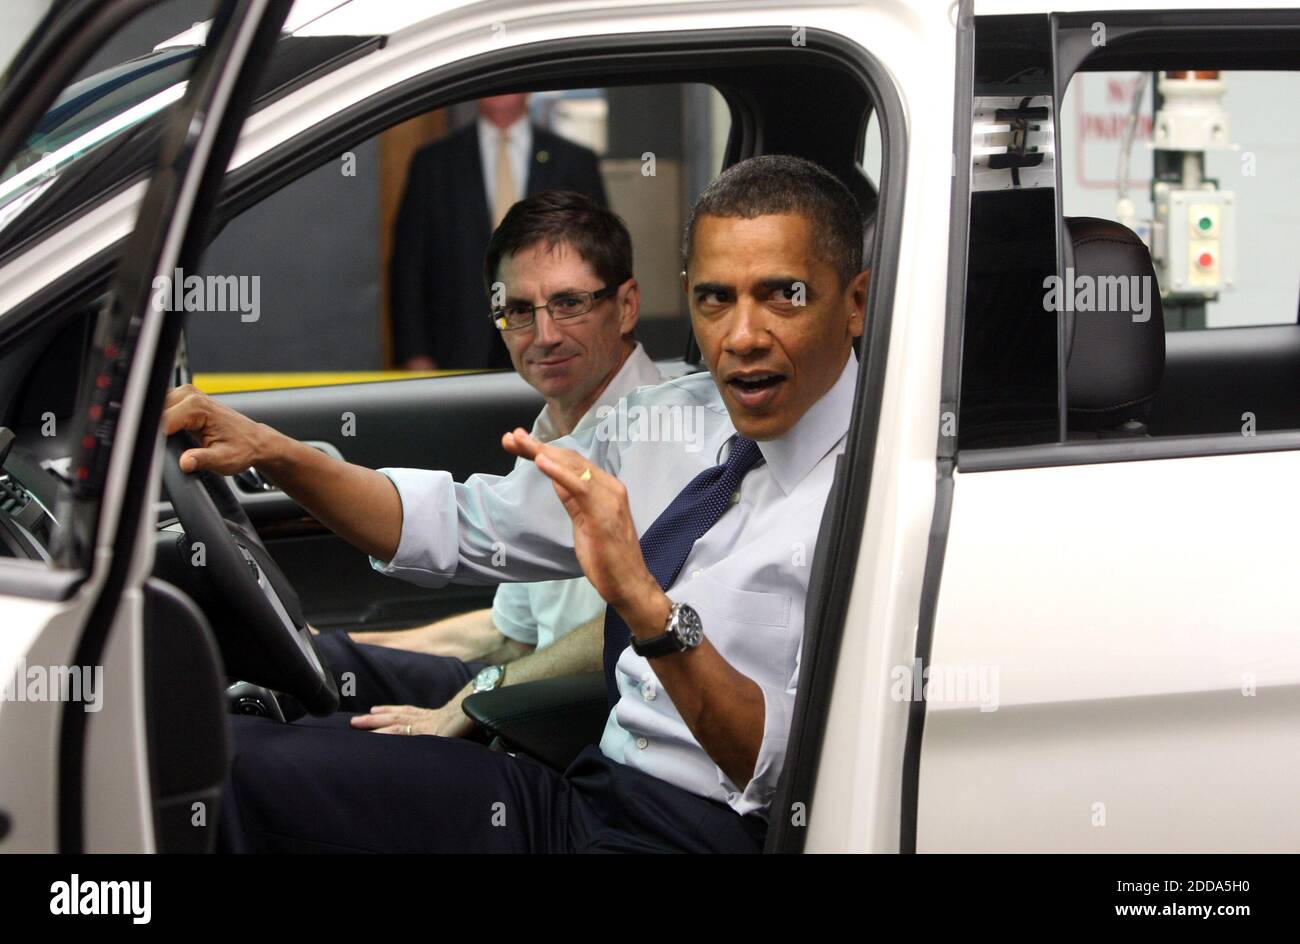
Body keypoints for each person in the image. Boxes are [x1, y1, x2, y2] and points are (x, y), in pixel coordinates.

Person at [163, 154, 868, 853]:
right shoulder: (669, 423)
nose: (741, 336)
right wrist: (272, 452)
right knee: (233, 758)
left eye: (783, 295)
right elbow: (459, 526)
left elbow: (774, 774)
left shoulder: (874, 495)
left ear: (857, 303)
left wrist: (643, 606)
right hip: (590, 786)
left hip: (695, 832)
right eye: (715, 298)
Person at [313, 190, 664, 735]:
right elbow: (511, 634)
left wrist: (464, 705)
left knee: (267, 759)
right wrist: (345, 648)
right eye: (519, 311)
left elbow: (623, 627)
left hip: (580, 731)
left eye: (569, 303)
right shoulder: (551, 435)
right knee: (323, 669)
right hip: (529, 693)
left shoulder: (665, 440)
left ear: (626, 306)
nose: (543, 336)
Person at [389, 94, 608, 371]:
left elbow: (601, 260)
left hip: (556, 342)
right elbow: (408, 267)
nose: (501, 93)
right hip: (457, 349)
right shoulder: (434, 162)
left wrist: (602, 342)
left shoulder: (575, 161)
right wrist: (414, 354)